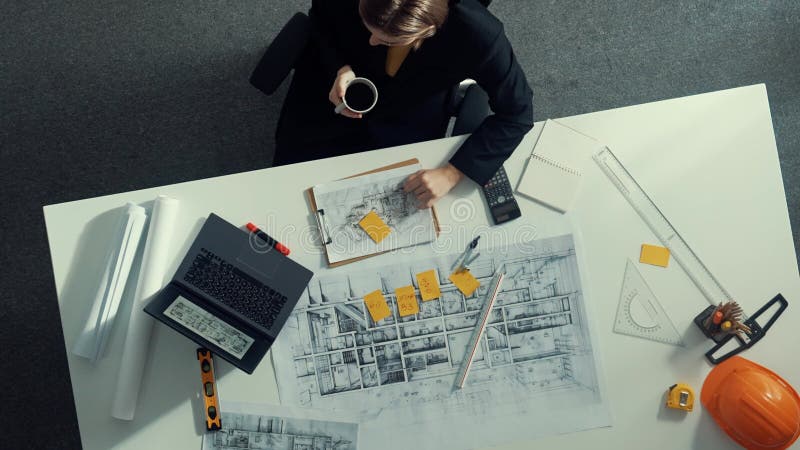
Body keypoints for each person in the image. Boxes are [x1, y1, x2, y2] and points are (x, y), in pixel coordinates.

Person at [273, 0, 533, 208]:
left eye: (386, 40)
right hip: (336, 85)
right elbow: (320, 17)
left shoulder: (478, 35)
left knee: (384, 202)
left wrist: (452, 174)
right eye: (368, 28)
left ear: (426, 32)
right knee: (287, 187)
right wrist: (339, 67)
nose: (373, 41)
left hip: (410, 104)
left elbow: (517, 113)